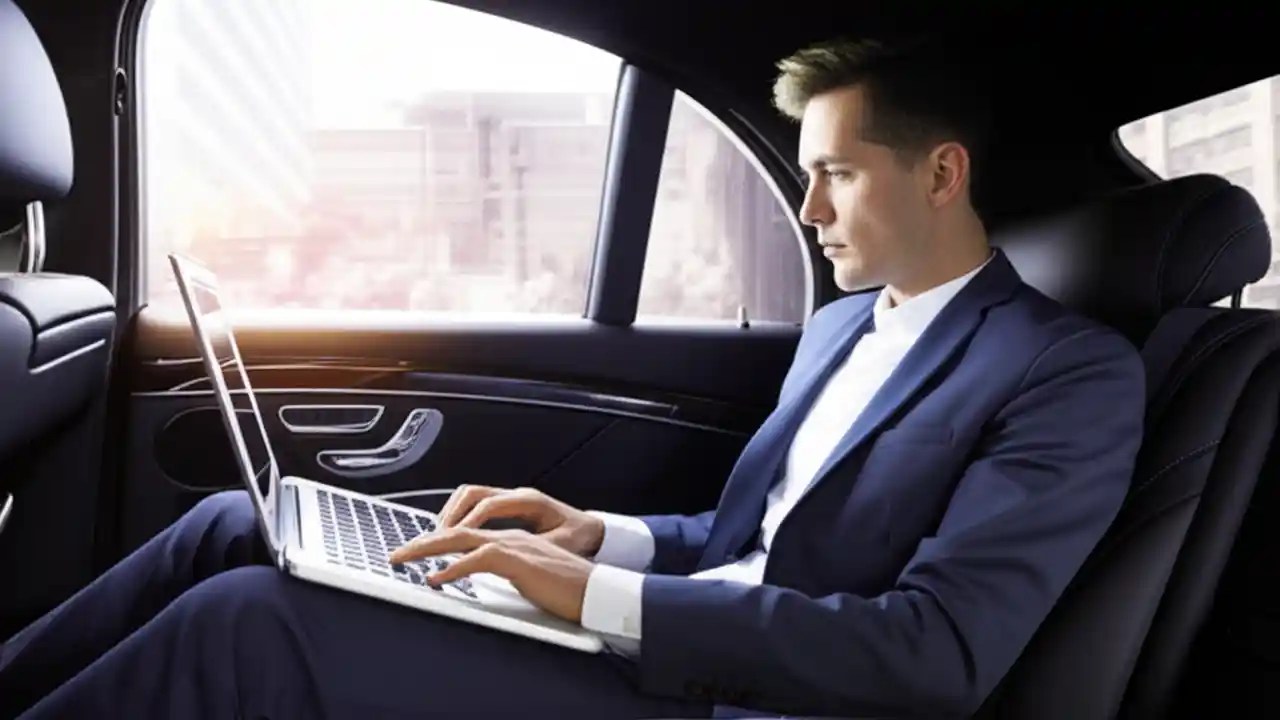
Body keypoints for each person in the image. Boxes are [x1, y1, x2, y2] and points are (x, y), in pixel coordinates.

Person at [0, 36, 1145, 719]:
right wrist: (597, 537)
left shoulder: (1064, 374)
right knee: (233, 528)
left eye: (835, 176)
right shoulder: (844, 329)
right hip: (665, 625)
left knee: (254, 623)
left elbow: (931, 653)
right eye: (803, 176)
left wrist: (591, 602)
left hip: (737, 694)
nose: (805, 210)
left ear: (940, 173)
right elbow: (754, 538)